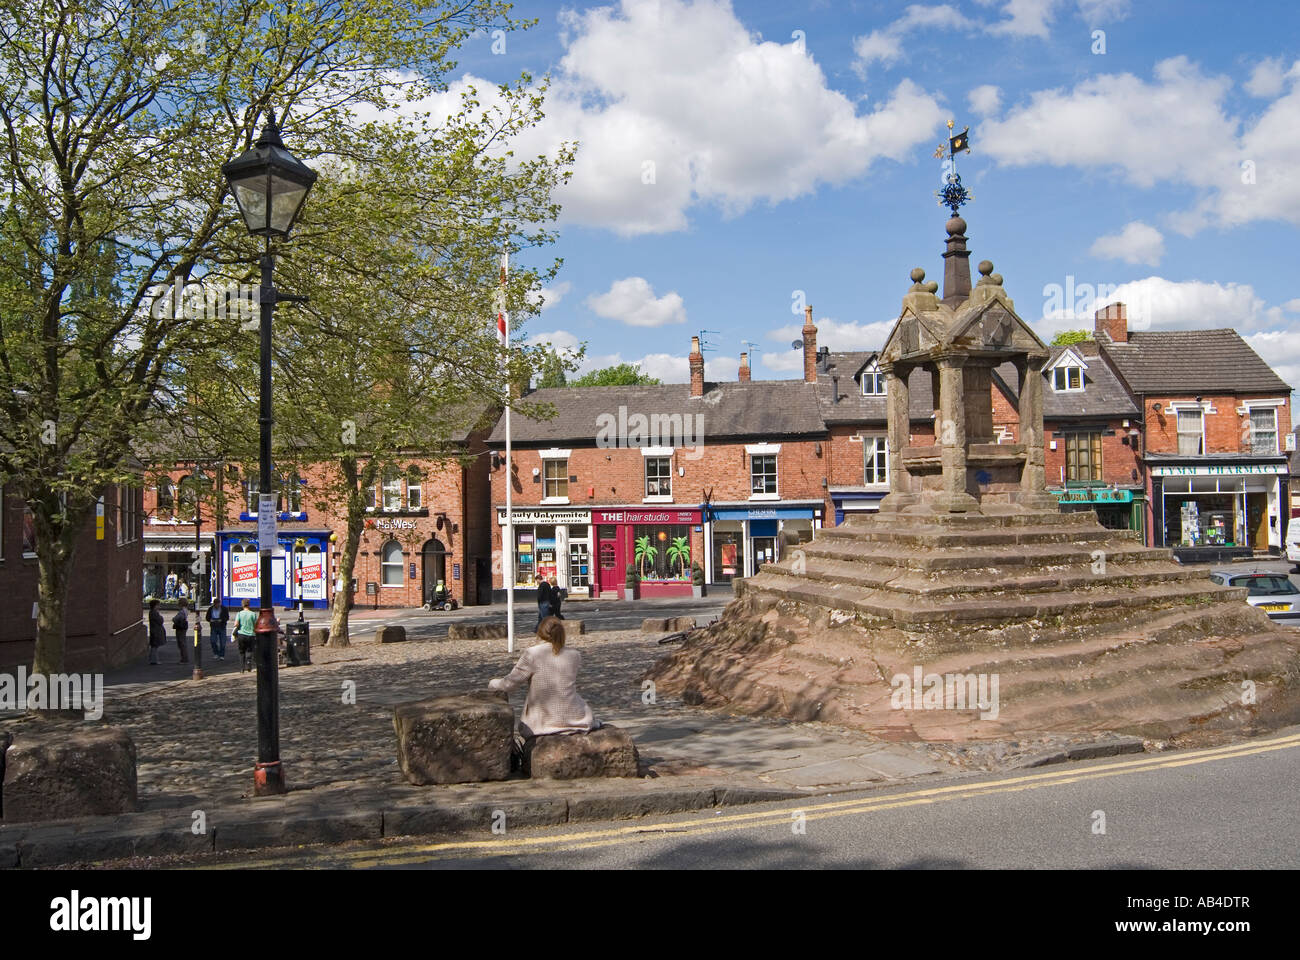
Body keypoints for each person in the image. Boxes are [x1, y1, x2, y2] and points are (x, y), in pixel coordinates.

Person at [488, 616, 597, 742]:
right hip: (575, 716)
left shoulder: (533, 654)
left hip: (542, 720)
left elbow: (509, 684)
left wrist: (493, 683)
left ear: (540, 632)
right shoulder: (574, 655)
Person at [234, 598, 258, 672]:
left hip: (241, 634)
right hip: (251, 635)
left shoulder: (239, 613)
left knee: (241, 651)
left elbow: (236, 624)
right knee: (249, 650)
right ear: (249, 605)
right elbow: (256, 625)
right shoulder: (253, 614)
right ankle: (249, 666)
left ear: (242, 605)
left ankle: (242, 668)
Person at [147, 599, 166, 665]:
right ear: (155, 606)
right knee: (155, 646)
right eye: (158, 605)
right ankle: (154, 660)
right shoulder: (154, 612)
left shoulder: (153, 612)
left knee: (154, 646)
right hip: (155, 631)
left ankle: (153, 659)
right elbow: (160, 620)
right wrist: (161, 617)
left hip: (155, 631)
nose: (159, 606)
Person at [172, 599, 190, 664]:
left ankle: (184, 659)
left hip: (180, 628)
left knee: (181, 643)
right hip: (183, 628)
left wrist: (174, 619)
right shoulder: (185, 610)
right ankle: (184, 658)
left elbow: (176, 618)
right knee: (182, 642)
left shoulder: (182, 611)